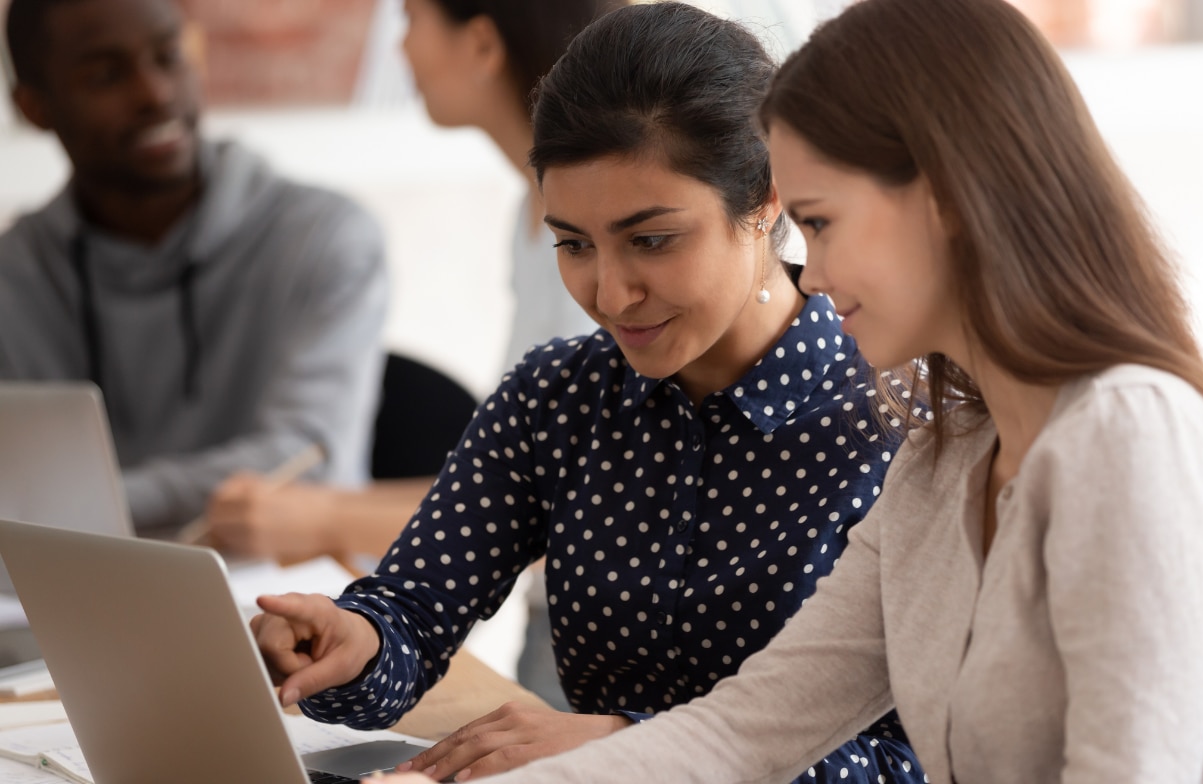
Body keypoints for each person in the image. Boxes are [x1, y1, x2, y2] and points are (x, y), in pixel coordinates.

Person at [370, 0, 1203, 782]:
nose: (813, 266)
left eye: (820, 222)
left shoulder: (1127, 435)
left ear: (948, 198)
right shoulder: (942, 456)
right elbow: (743, 733)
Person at [252, 4, 928, 783]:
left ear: (767, 197)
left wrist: (632, 748)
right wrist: (351, 641)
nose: (609, 294)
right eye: (573, 244)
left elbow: (913, 764)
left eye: (652, 240)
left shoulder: (895, 424)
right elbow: (411, 613)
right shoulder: (554, 398)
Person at [202, 0, 619, 564]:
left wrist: (325, 518)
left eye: (410, 19)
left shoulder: (599, 234)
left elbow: (569, 508)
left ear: (480, 45)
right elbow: (513, 478)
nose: (400, 48)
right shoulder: (532, 211)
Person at [0, 0, 388, 532]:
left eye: (169, 56)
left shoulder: (324, 237)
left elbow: (305, 462)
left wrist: (87, 507)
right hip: (66, 599)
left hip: (278, 595)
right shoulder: (13, 277)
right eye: (107, 74)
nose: (155, 93)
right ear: (34, 108)